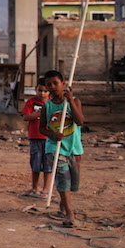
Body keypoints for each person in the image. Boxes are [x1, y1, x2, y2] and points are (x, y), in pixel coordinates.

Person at [38, 70, 85, 228]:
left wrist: (70, 101)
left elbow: (80, 122)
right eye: (48, 84)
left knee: (73, 183)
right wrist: (52, 134)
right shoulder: (47, 106)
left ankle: (63, 205)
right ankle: (70, 214)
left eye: (55, 83)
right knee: (63, 179)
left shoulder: (74, 102)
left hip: (74, 148)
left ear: (63, 84)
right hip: (55, 148)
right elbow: (42, 129)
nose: (51, 87)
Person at [20, 83, 50, 198]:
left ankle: (46, 189)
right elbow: (26, 116)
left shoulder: (51, 103)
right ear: (35, 90)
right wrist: (38, 114)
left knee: (48, 165)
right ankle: (34, 188)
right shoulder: (31, 102)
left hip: (49, 138)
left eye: (45, 91)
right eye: (40, 90)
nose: (42, 93)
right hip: (35, 137)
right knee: (35, 164)